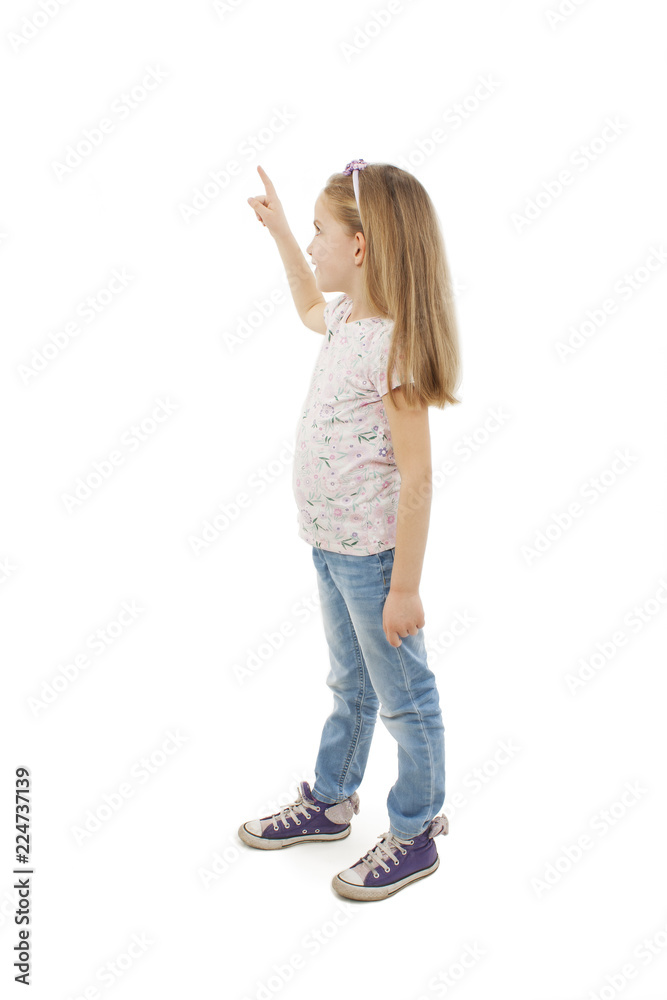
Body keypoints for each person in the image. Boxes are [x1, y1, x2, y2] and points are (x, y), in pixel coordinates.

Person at [238, 159, 462, 901]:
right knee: (350, 684)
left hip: (374, 562)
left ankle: (416, 827)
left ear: (360, 246)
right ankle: (333, 799)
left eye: (317, 232)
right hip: (330, 548)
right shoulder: (344, 320)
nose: (311, 245)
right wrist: (275, 234)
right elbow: (307, 303)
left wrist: (404, 587)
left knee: (403, 697)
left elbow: (419, 475)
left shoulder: (393, 345)